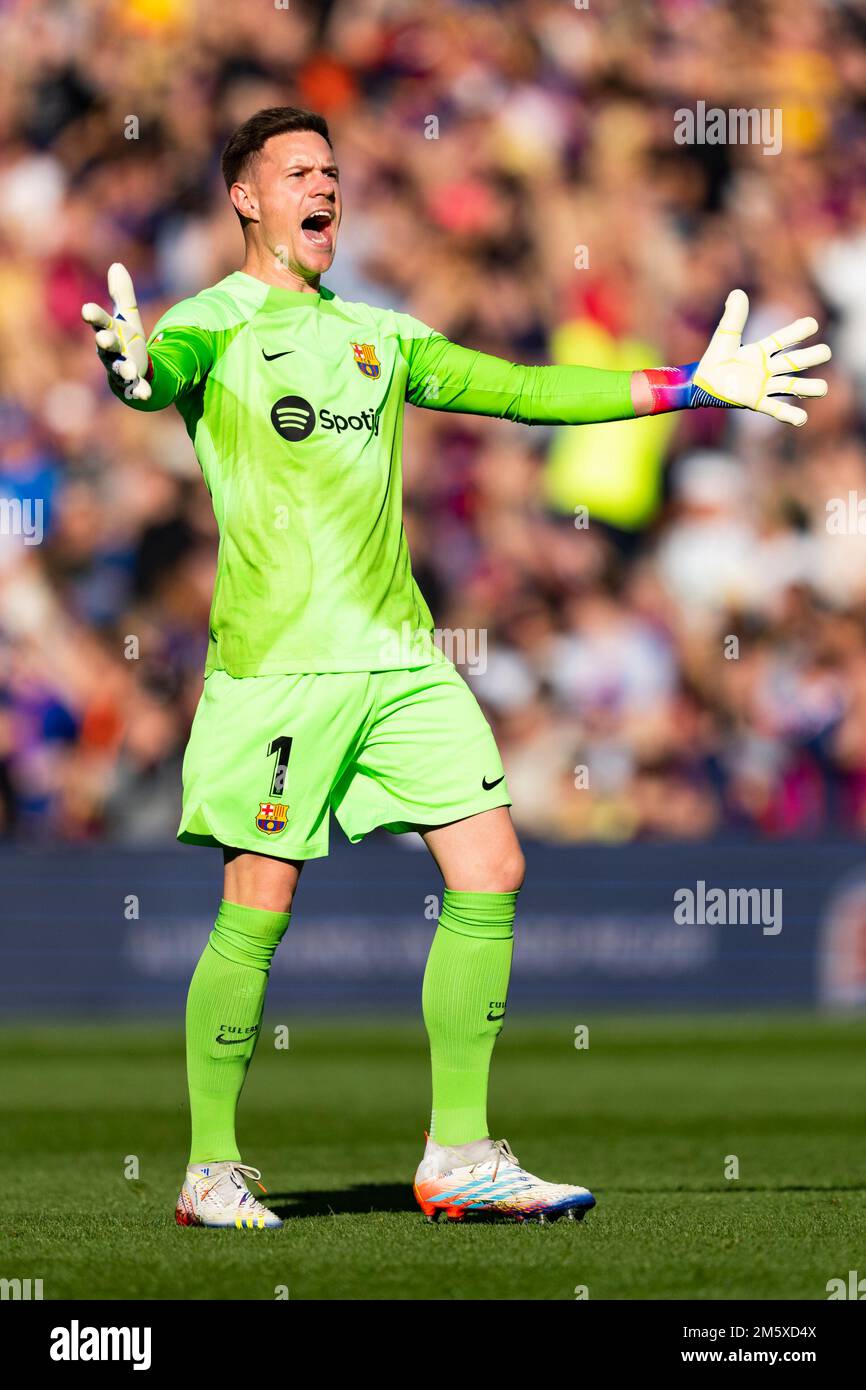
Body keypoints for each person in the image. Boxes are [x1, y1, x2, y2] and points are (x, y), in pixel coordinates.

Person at [83, 106, 830, 1229]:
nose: (322, 184)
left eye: (332, 168)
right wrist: (133, 370)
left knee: (491, 864)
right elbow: (150, 376)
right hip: (280, 667)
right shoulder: (212, 324)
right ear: (246, 197)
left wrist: (689, 386)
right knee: (260, 899)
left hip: (399, 657)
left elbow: (525, 390)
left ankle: (460, 1155)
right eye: (296, 171)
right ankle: (208, 1167)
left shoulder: (380, 335)